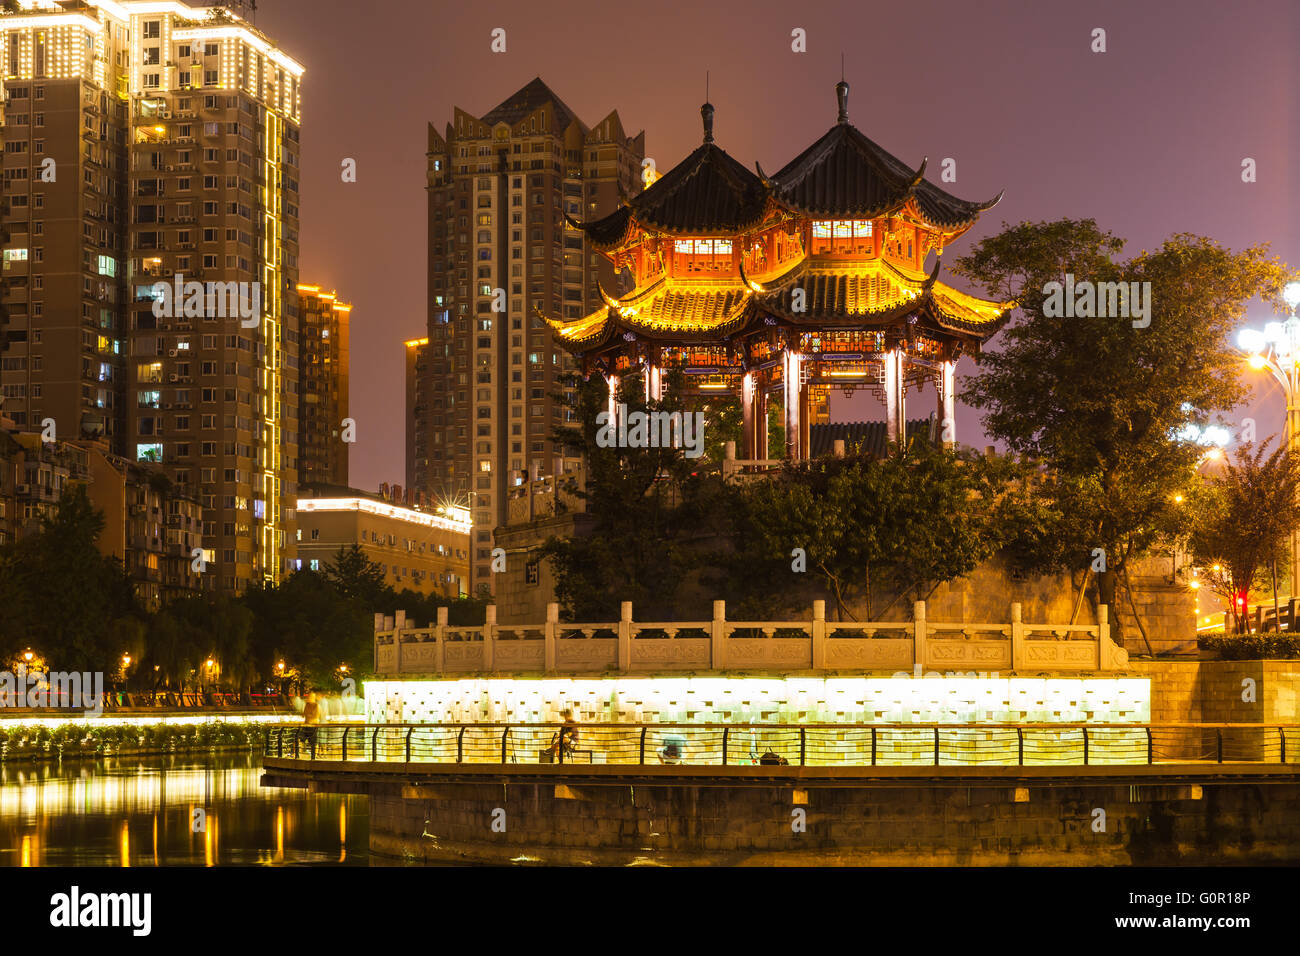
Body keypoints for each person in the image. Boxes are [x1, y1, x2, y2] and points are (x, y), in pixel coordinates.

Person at [299, 689, 320, 758]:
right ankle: (297, 754)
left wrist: (307, 715)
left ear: (313, 698)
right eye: (308, 697)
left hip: (313, 726)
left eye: (310, 697)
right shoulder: (307, 704)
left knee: (313, 742)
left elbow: (315, 716)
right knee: (300, 739)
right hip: (306, 725)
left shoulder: (316, 706)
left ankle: (314, 755)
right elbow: (304, 714)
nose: (308, 698)